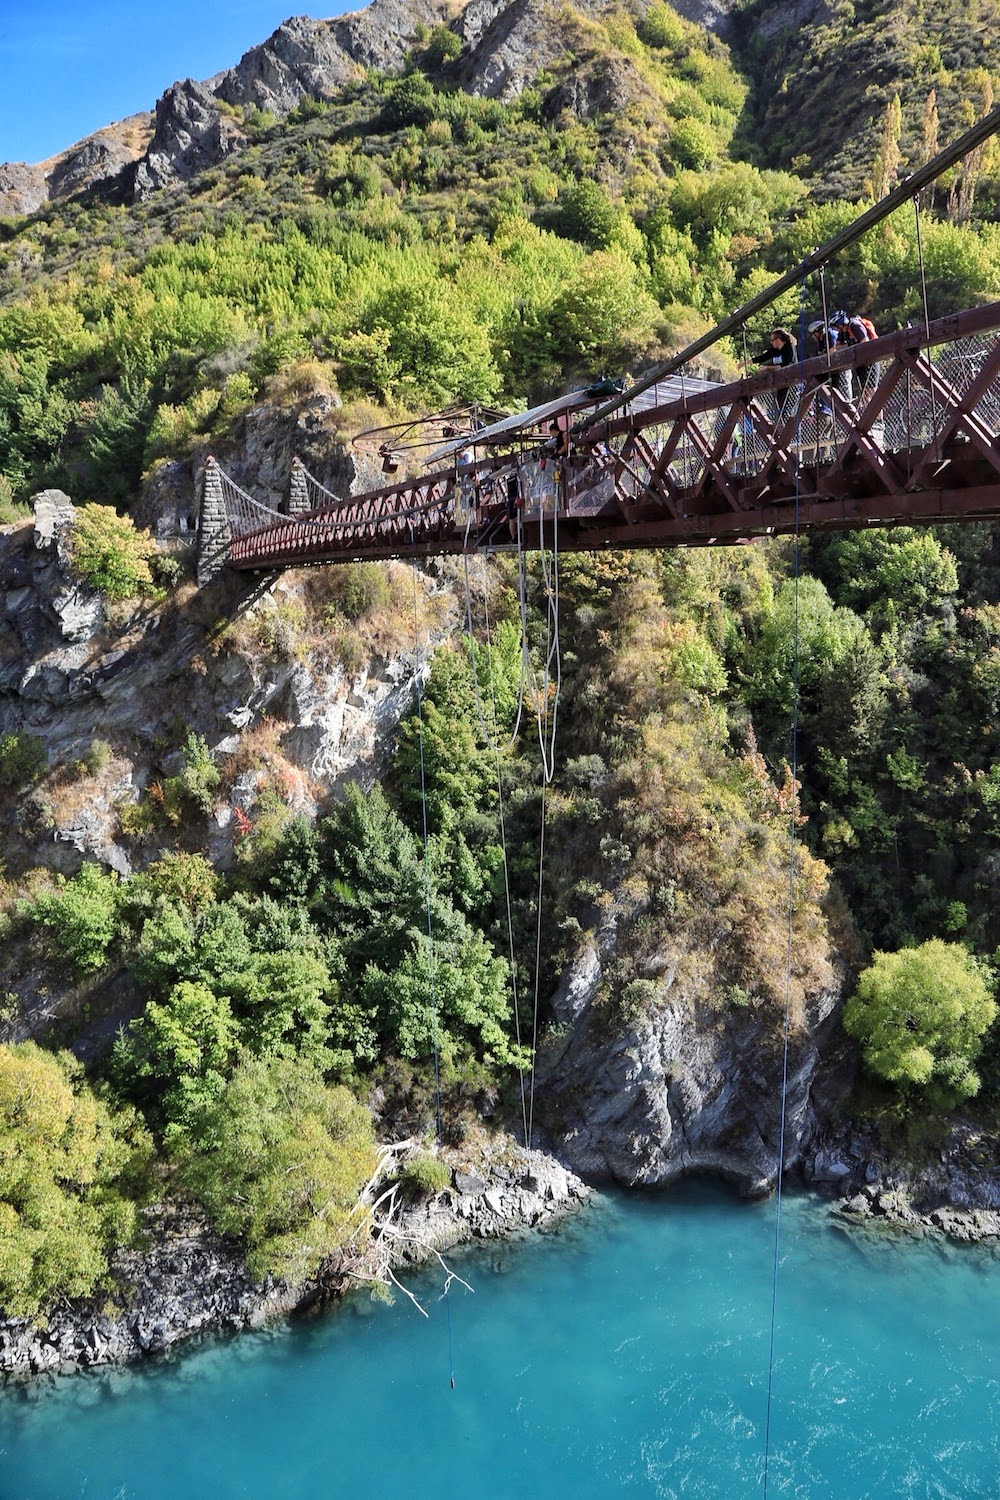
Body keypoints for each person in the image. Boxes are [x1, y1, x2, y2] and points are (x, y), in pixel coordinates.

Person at [755, 327, 797, 425]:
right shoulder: (775, 351)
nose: (771, 343)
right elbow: (763, 357)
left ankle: (790, 432)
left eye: (772, 340)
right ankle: (780, 429)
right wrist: (745, 363)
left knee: (789, 407)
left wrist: (768, 368)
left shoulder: (789, 348)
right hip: (781, 382)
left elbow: (787, 364)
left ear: (778, 340)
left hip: (791, 381)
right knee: (779, 406)